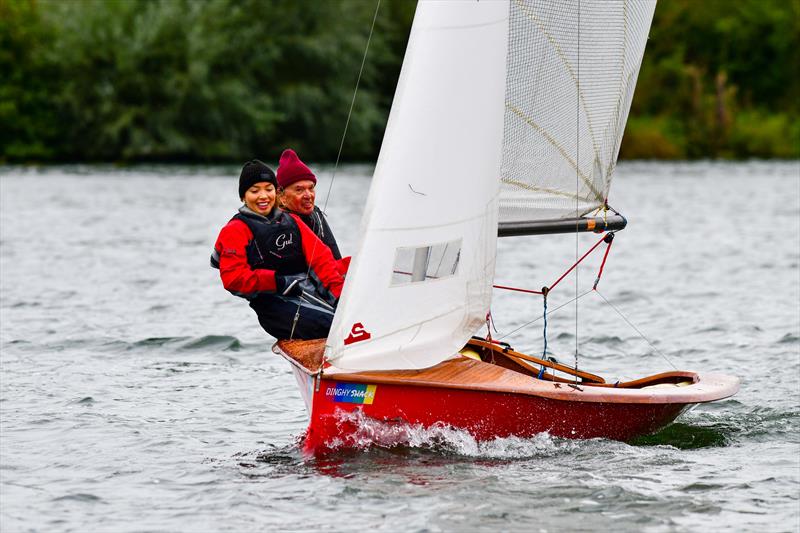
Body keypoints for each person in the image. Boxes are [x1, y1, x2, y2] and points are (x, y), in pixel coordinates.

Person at [211, 159, 344, 339]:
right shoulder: (235, 230)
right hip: (274, 306)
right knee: (332, 326)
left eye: (268, 189)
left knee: (349, 316)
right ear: (243, 196)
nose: (263, 196)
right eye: (254, 191)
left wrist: (341, 298)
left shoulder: (292, 221)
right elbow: (233, 279)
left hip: (307, 293)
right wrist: (279, 282)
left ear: (276, 191)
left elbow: (322, 261)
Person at [276, 149, 350, 274]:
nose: (308, 195)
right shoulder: (276, 224)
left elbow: (336, 260)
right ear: (282, 197)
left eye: (311, 188)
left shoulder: (316, 215)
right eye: (299, 190)